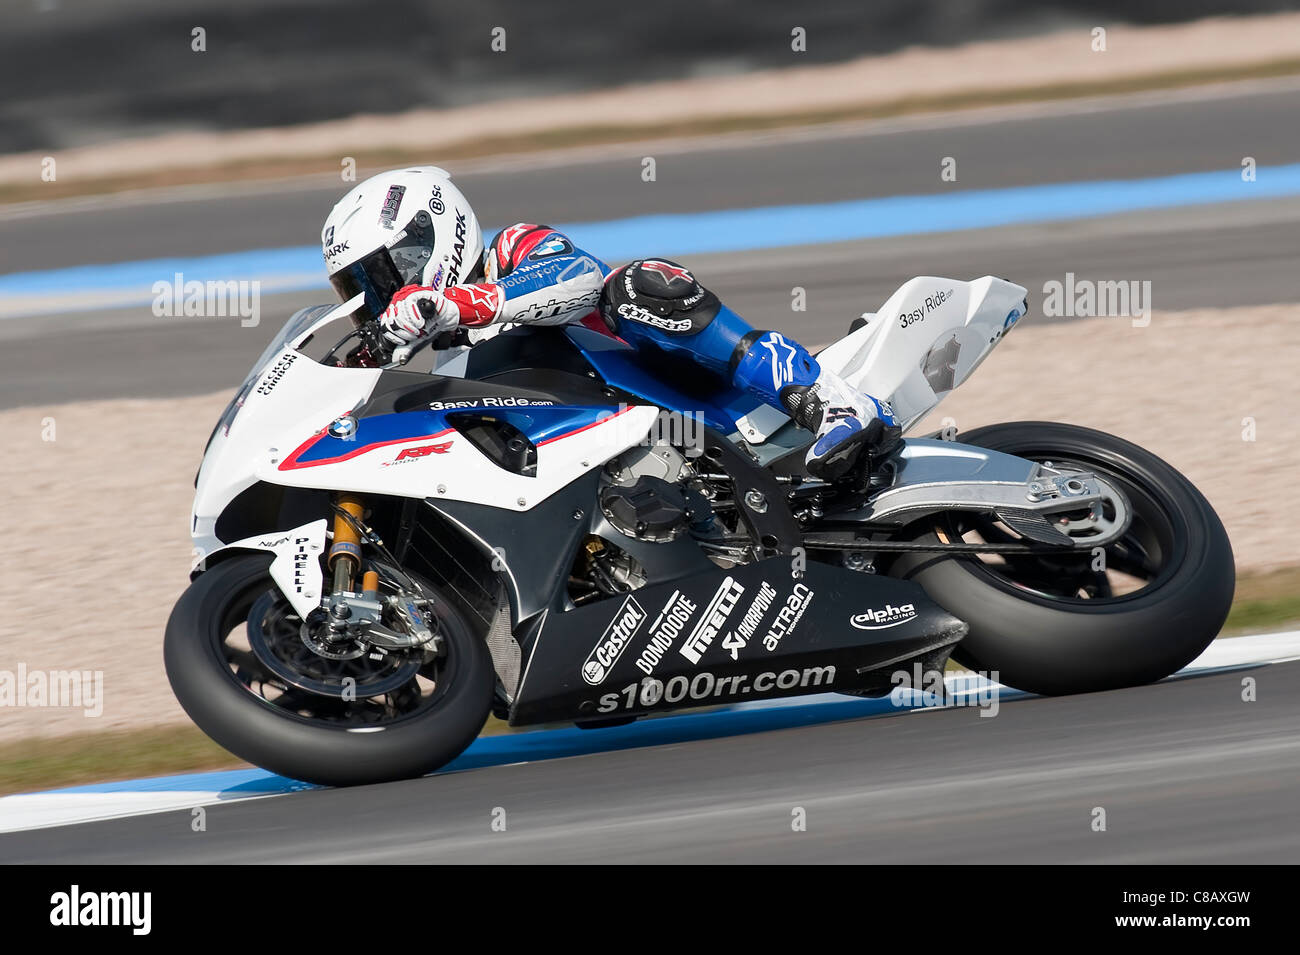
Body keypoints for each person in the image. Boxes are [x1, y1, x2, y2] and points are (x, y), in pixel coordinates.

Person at [322, 165, 899, 480]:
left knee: (635, 284)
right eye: (361, 289)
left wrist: (457, 304)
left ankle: (831, 401)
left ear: (430, 234)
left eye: (381, 276)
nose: (382, 298)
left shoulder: (515, 248)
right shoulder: (445, 360)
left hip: (711, 406)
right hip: (637, 465)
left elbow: (577, 277)